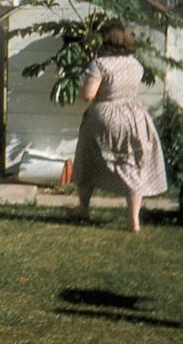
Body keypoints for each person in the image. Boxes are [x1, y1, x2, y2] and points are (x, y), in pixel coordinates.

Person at [71, 20, 167, 232]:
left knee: (87, 159)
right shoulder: (135, 64)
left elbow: (88, 95)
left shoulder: (100, 64)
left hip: (105, 114)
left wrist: (81, 85)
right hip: (133, 115)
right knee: (131, 163)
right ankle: (134, 221)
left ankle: (83, 208)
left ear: (106, 39)